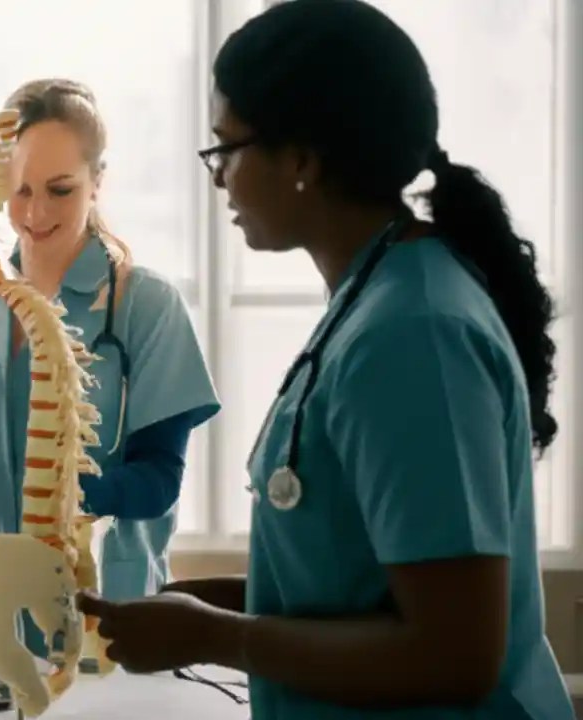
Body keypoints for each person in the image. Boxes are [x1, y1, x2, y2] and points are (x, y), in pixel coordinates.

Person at [76, 2, 576, 719]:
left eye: (226, 149)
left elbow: (454, 653)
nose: (217, 179)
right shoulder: (375, 302)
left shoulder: (415, 334)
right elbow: (360, 585)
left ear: (302, 160)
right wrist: (187, 606)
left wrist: (219, 636)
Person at [0, 79, 220, 664]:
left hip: (106, 625)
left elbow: (159, 480)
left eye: (61, 190)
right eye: (20, 192)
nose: (36, 214)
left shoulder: (146, 308)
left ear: (98, 183)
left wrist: (58, 496)